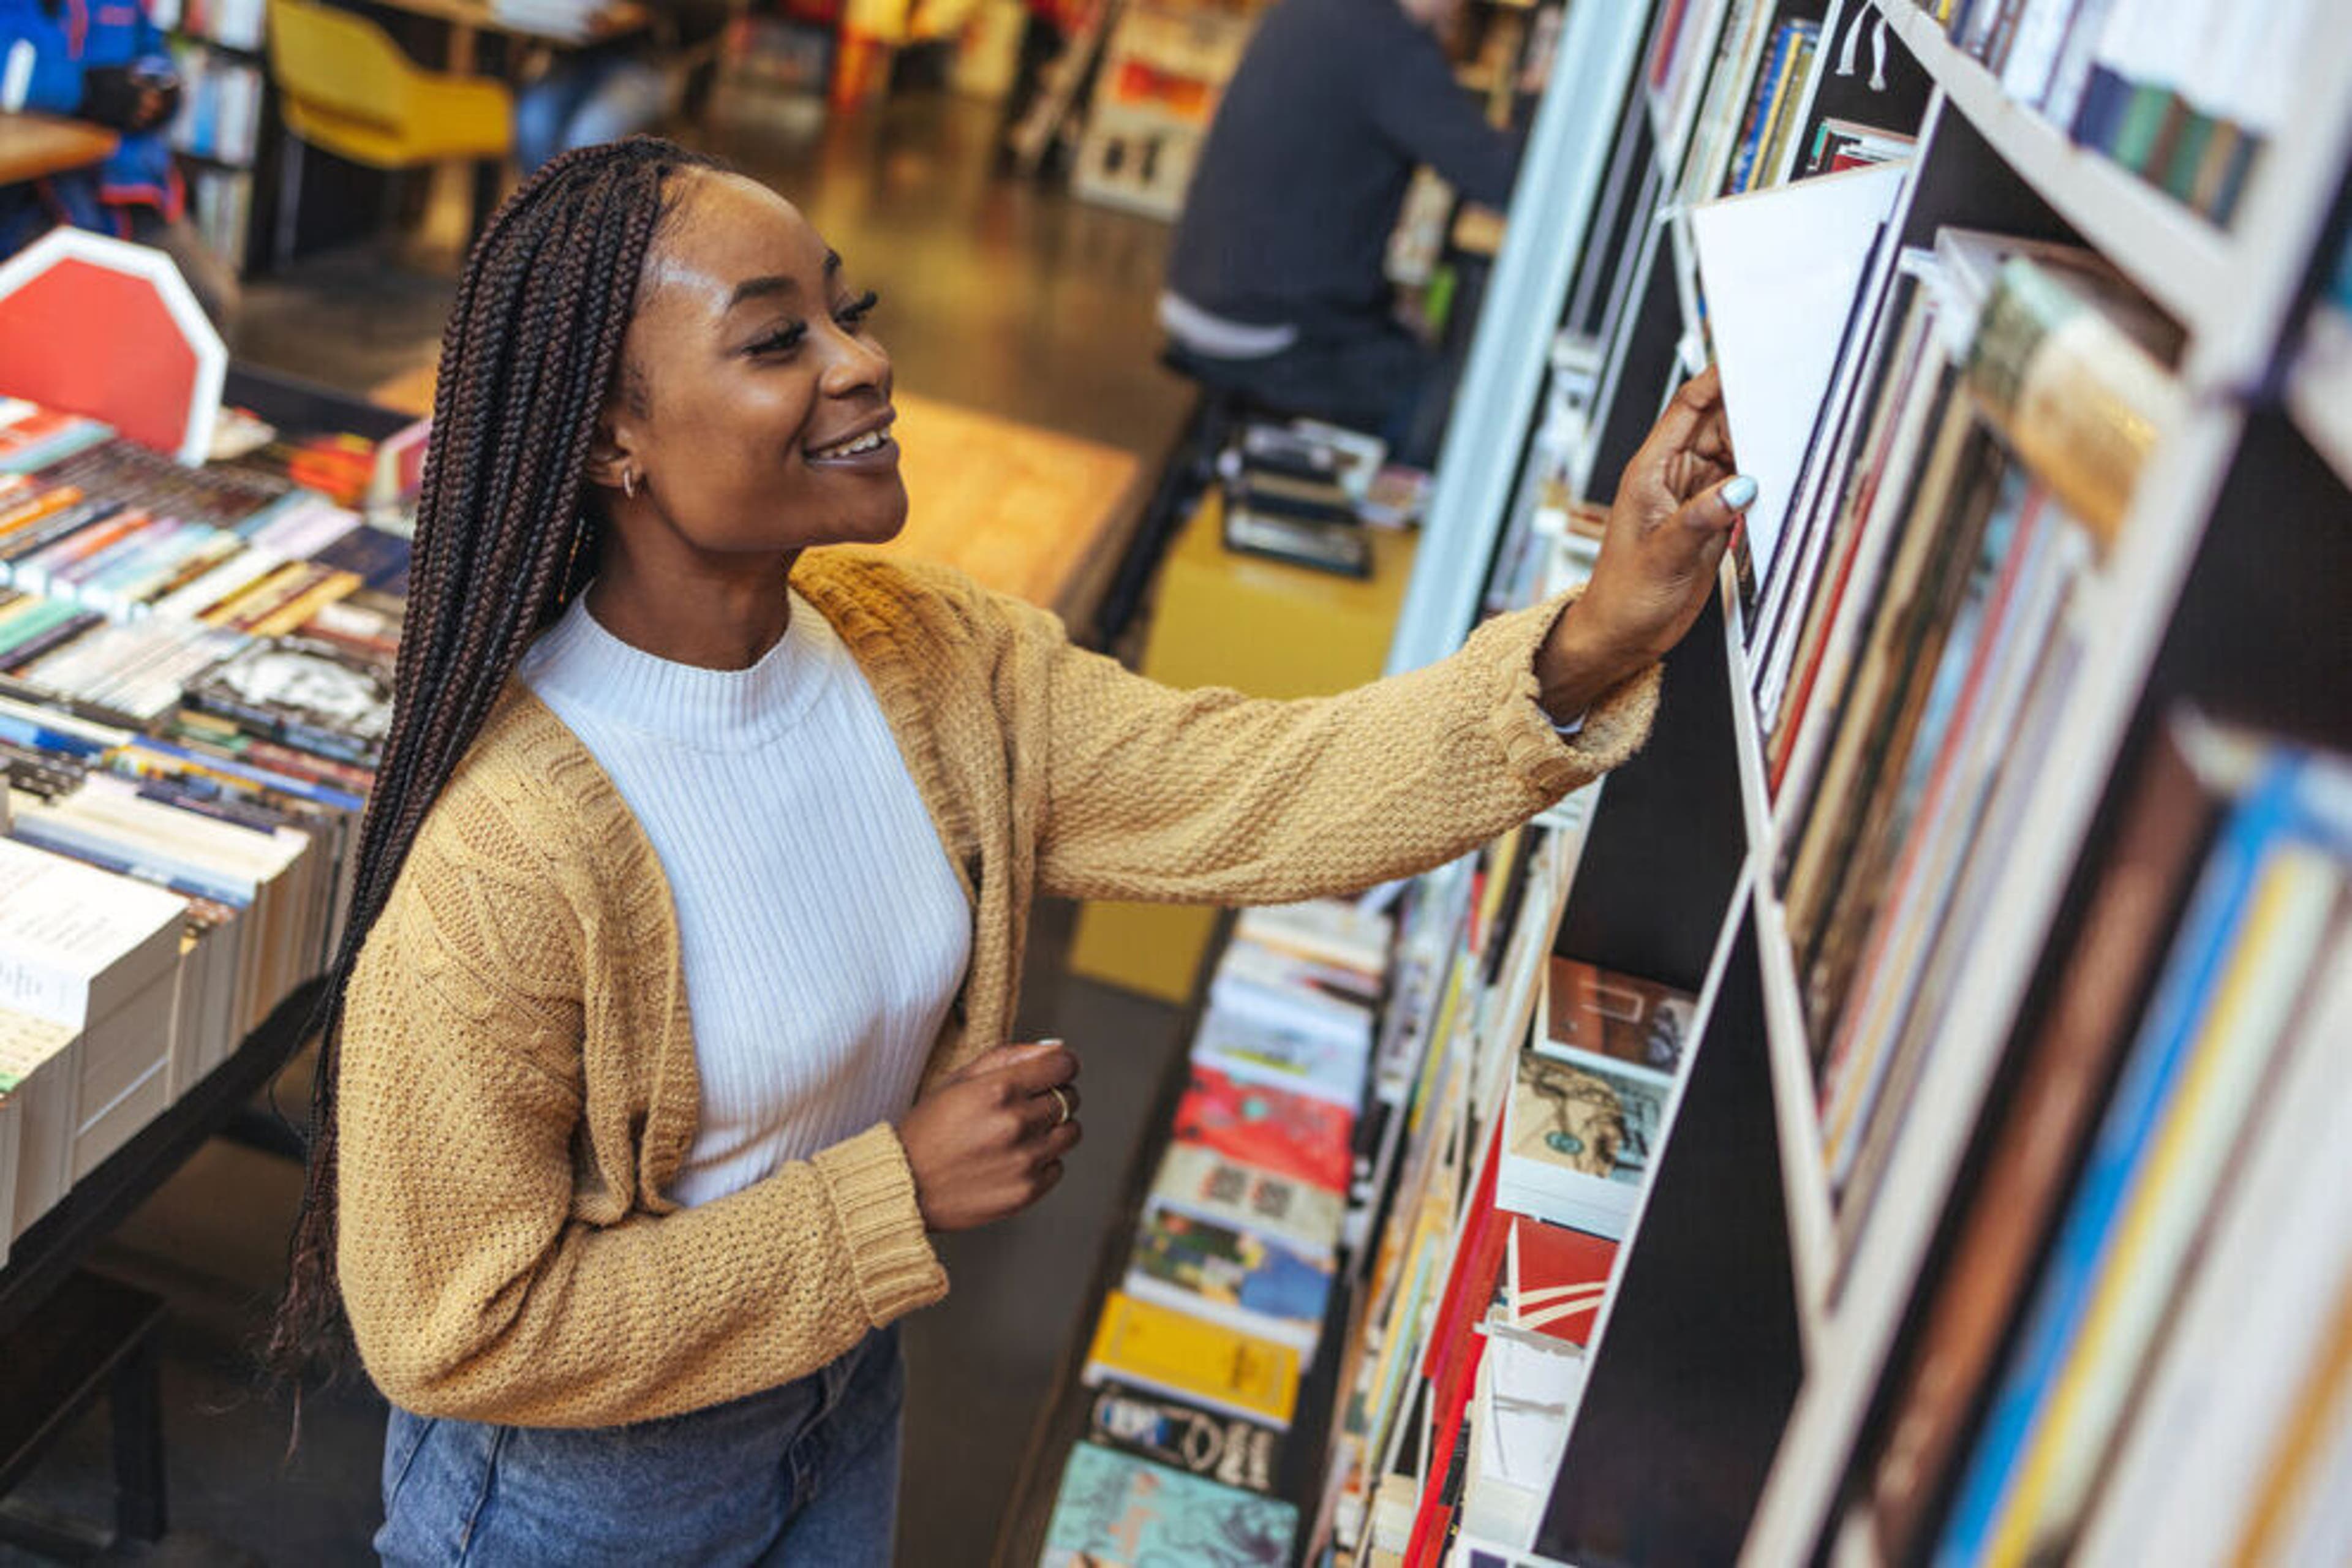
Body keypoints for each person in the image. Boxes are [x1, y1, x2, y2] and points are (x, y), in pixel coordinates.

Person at [273, 136, 1746, 1564]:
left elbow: (1255, 787)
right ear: (613, 439)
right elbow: (452, 1327)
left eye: (847, 310)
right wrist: (894, 1194)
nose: (863, 361)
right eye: (777, 341)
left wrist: (1588, 637)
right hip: (585, 1497)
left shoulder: (923, 653)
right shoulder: (504, 859)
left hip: (840, 1393)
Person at [1160, 0, 1516, 455]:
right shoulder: (1388, 40)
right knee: (1448, 406)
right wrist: (1537, 100)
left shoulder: (1319, 11)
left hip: (1205, 290)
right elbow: (1498, 175)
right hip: (1267, 322)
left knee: (1406, 348)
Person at [0, 0, 240, 324]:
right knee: (72, 316)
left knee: (210, 297)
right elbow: (12, 75)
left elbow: (155, 56)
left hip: (136, 189)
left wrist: (161, 95)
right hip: (45, 198)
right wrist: (86, 91)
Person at [511, 0, 731, 173]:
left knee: (590, 137)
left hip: (643, 64)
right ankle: (548, 204)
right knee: (533, 123)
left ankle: (586, 210)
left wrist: (647, 11)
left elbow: (713, 15)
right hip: (575, 57)